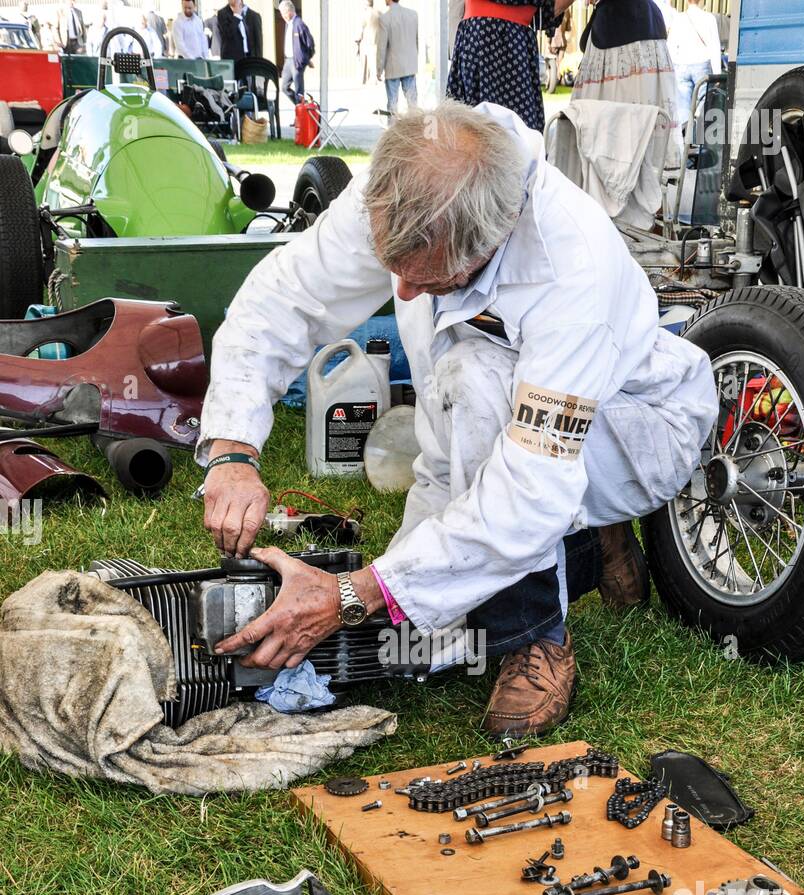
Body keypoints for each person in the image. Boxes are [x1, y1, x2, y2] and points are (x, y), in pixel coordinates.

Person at [196, 102, 717, 736]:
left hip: (632, 428)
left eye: (427, 278)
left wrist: (351, 595)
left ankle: (535, 637)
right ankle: (590, 540)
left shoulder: (570, 273)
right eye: (395, 271)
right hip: (460, 444)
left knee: (480, 388)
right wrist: (232, 451)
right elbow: (283, 298)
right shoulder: (403, 182)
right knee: (413, 646)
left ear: (493, 237)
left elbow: (525, 492)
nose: (404, 295)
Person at [570, 1, 679, 192]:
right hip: (648, 24)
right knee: (643, 120)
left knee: (610, 126)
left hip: (616, 27)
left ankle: (613, 186)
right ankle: (642, 190)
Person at [447, 1, 572, 135]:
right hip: (494, 35)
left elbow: (544, 14)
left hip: (505, 36)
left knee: (512, 134)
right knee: (499, 133)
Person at [668, 0, 721, 129]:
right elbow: (714, 47)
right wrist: (718, 73)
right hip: (702, 65)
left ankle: (685, 138)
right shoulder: (709, 18)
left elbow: (670, 46)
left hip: (681, 65)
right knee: (702, 101)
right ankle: (698, 137)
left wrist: (672, 68)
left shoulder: (678, 19)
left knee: (683, 106)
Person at [377, 0, 418, 123]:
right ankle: (415, 130)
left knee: (392, 104)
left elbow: (382, 47)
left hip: (393, 66)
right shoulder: (413, 14)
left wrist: (379, 69)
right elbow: (416, 40)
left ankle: (392, 132)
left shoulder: (385, 18)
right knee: (412, 104)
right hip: (410, 65)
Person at [279, 0, 314, 105]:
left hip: (296, 61)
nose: (282, 16)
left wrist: (305, 59)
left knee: (299, 91)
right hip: (288, 61)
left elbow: (310, 44)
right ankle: (301, 107)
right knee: (284, 87)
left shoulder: (299, 24)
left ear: (289, 11)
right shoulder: (288, 24)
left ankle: (301, 115)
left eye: (283, 13)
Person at [356, 0, 381, 86]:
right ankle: (375, 78)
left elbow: (361, 28)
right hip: (377, 40)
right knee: (374, 59)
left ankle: (364, 79)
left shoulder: (365, 13)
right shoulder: (379, 13)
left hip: (367, 40)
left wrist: (358, 38)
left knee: (365, 60)